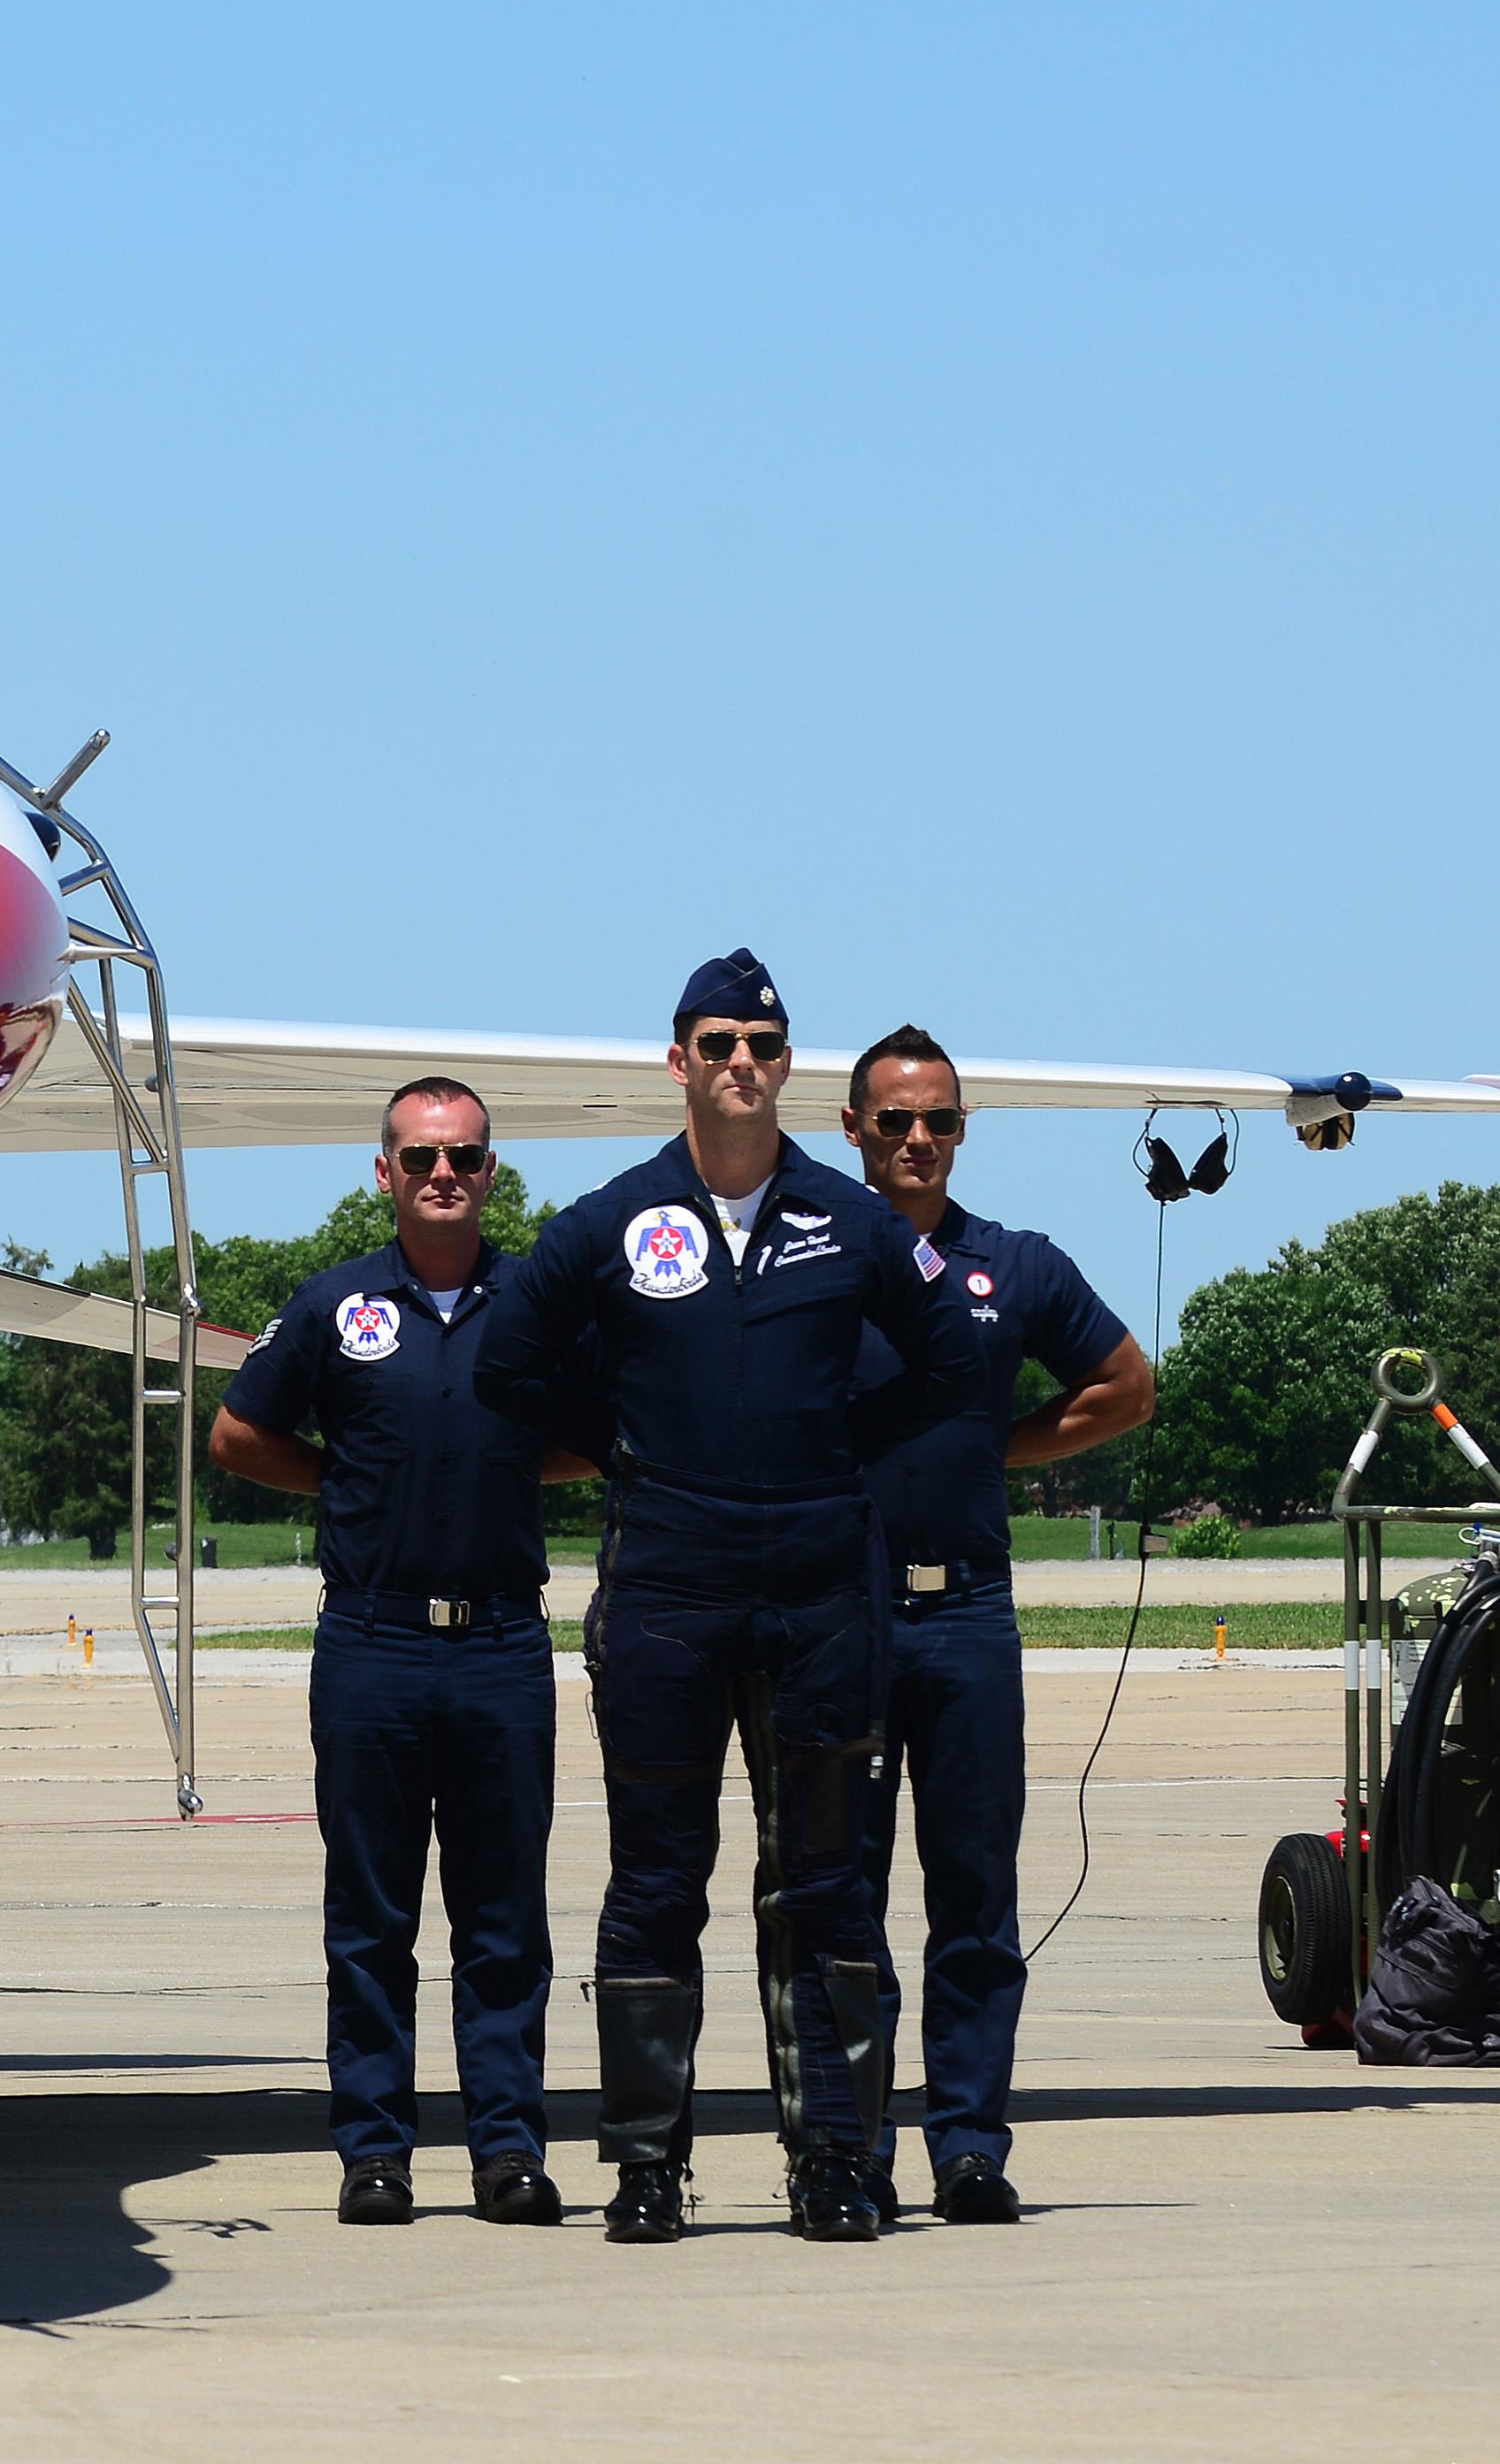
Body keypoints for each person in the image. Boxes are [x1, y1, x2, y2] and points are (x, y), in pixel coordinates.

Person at [472, 949, 998, 2246]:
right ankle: (646, 2164)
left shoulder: (852, 1220)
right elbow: (506, 1359)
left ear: (784, 1065)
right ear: (678, 1063)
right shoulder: (611, 1221)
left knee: (825, 1885)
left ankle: (833, 2161)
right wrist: (628, 1446)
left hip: (822, 1588)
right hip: (667, 1585)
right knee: (655, 1878)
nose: (739, 1065)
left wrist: (834, 1439)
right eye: (716, 1044)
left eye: (760, 1044)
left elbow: (950, 1361)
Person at [206, 1077, 601, 2231]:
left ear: (491, 1174)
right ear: (381, 1173)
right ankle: (373, 2153)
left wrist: (495, 1481)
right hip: (372, 1644)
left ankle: (506, 2153)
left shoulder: (538, 1304)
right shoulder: (335, 1307)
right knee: (372, 1919)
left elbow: (600, 1435)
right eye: (422, 1156)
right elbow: (241, 1431)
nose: (443, 1174)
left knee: (500, 1922)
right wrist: (349, 1485)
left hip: (499, 1648)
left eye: (465, 1158)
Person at [825, 1025, 1152, 2223]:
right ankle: (848, 2148)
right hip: (837, 1623)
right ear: (851, 1130)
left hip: (962, 1619)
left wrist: (996, 1449)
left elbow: (1124, 1385)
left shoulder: (1013, 1266)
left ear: (961, 1134)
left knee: (971, 1896)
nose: (917, 1139)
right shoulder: (811, 1261)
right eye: (896, 1120)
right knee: (840, 1899)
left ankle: (965, 2143)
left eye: (939, 1121)